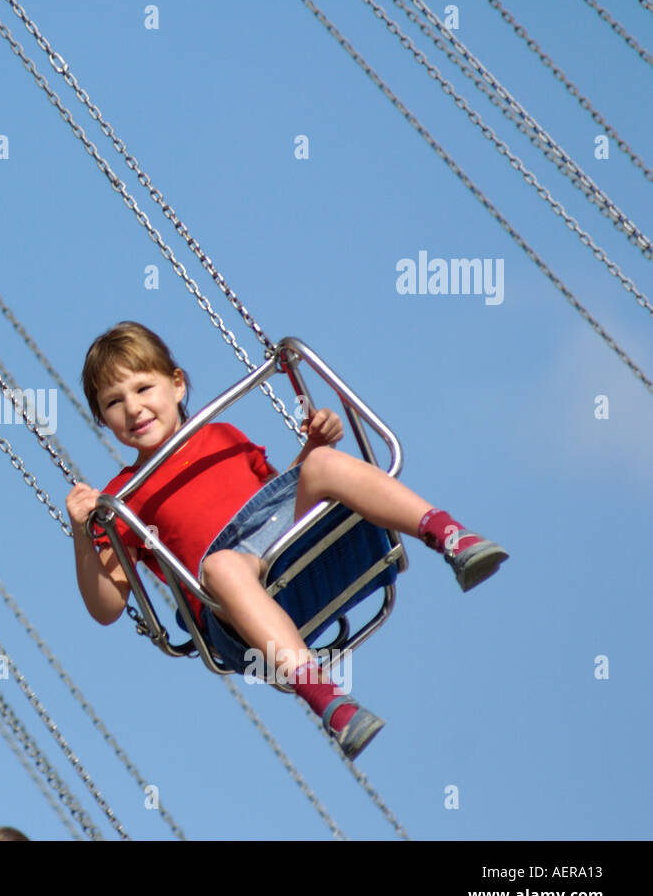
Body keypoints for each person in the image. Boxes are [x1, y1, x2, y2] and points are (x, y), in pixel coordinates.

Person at [65, 322, 509, 760]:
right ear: (104, 420)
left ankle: (448, 534)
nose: (133, 408)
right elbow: (106, 608)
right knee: (222, 565)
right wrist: (84, 538)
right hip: (228, 602)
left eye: (143, 389)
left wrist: (312, 446)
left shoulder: (222, 436)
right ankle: (325, 698)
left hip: (281, 547)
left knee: (320, 463)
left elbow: (276, 503)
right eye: (114, 402)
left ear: (177, 385)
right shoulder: (124, 496)